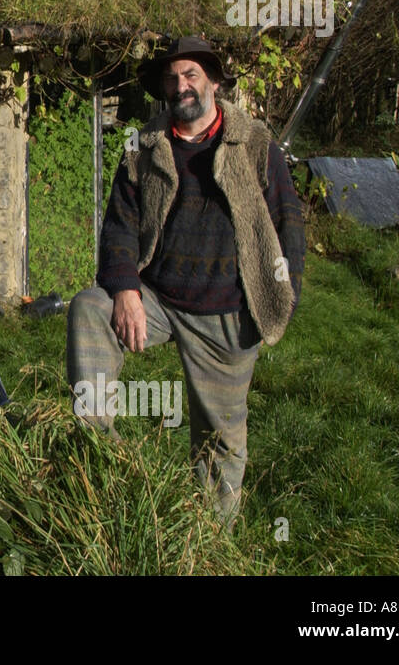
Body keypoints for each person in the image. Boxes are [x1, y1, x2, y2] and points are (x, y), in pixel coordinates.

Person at [66, 35, 305, 528]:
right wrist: (126, 290)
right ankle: (96, 456)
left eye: (192, 75)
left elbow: (288, 224)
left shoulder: (255, 144)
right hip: (159, 296)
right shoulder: (145, 146)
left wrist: (282, 294)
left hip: (226, 308)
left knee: (220, 439)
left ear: (214, 82)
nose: (182, 86)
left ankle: (209, 540)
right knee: (90, 307)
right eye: (173, 78)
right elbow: (119, 226)